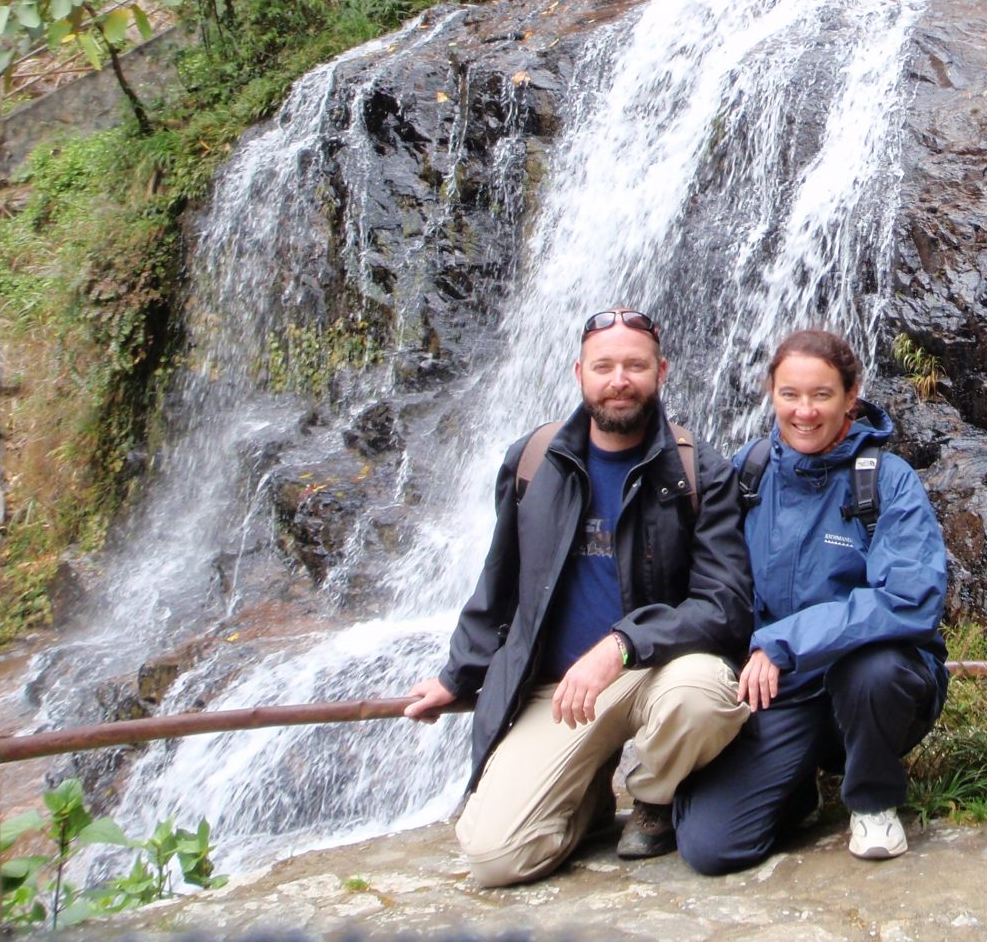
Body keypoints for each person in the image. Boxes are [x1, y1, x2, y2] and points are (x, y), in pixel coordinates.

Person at [403, 307, 753, 885]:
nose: (620, 380)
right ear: (579, 373)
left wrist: (621, 645)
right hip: (557, 689)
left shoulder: (699, 472)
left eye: (635, 365)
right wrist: (458, 675)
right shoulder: (533, 462)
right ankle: (586, 800)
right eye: (605, 366)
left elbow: (725, 605)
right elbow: (500, 580)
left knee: (703, 694)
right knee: (493, 858)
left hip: (654, 674)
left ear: (661, 371)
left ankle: (653, 798)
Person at [675, 328, 948, 874]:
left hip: (877, 683)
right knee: (712, 847)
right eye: (790, 395)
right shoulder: (746, 474)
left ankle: (873, 800)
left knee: (871, 669)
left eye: (822, 395)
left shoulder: (886, 482)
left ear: (851, 396)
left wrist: (785, 641)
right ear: (770, 393)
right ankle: (798, 791)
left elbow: (910, 599)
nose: (805, 411)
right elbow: (710, 583)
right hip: (784, 690)